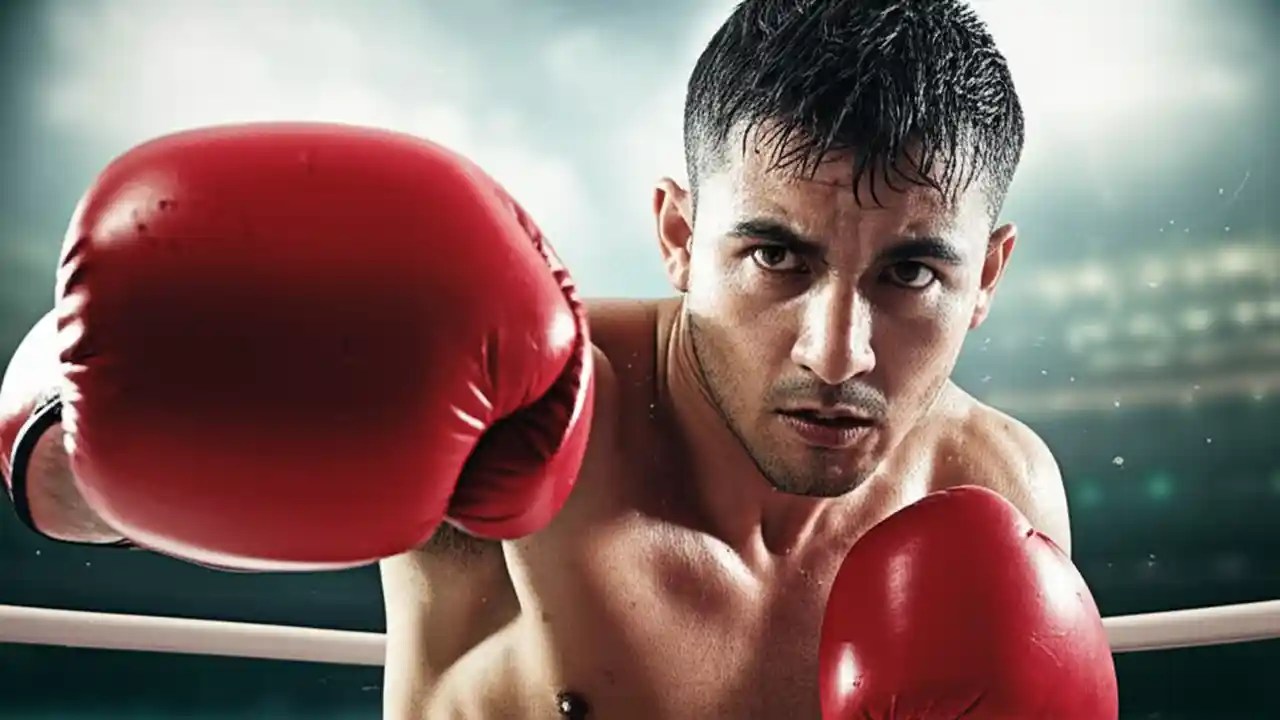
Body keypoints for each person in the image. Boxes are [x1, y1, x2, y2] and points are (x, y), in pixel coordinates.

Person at [0, 1, 1117, 718]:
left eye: (909, 273)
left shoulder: (994, 487)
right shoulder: (533, 406)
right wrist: (71, 400)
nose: (836, 353)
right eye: (776, 256)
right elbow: (57, 472)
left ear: (988, 275)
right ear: (678, 233)